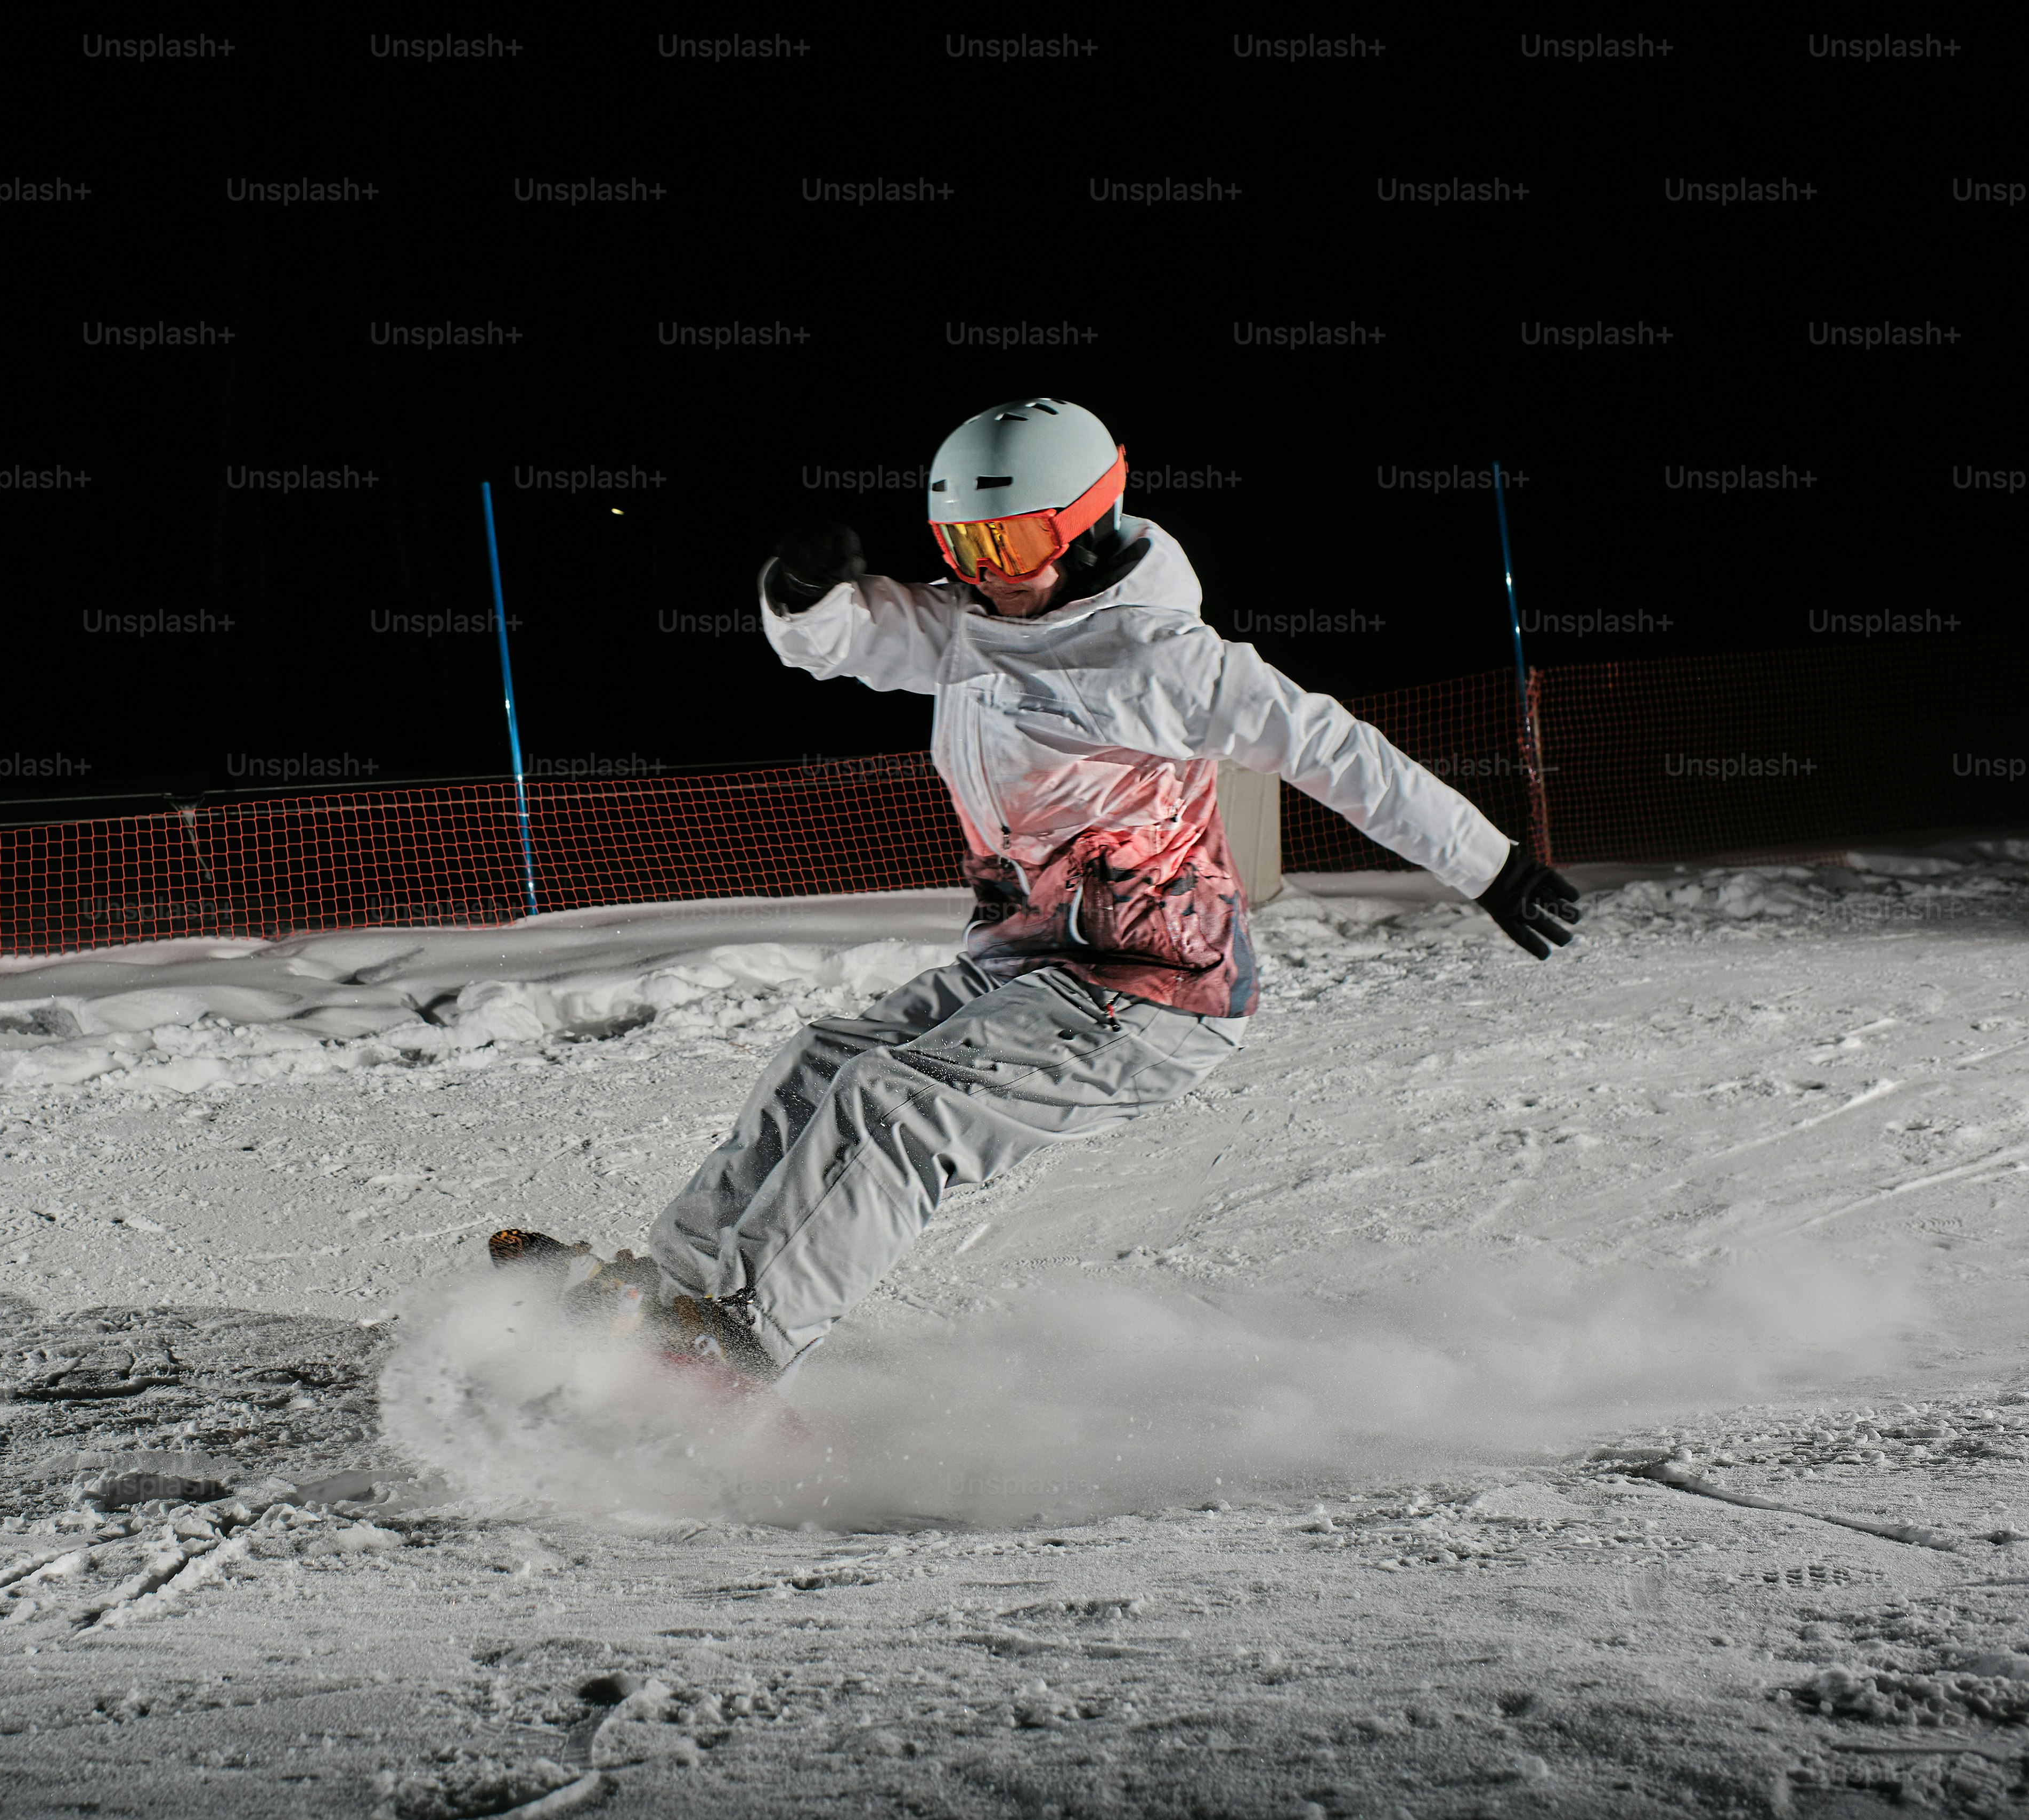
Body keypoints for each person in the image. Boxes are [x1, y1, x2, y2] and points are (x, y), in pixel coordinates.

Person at [495, 397, 1579, 1388]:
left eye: (1006, 544)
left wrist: (1489, 866)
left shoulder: (1163, 659)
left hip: (1155, 990)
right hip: (1025, 963)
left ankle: (739, 1350)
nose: (982, 569)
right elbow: (849, 639)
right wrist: (797, 596)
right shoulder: (975, 626)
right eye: (961, 546)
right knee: (820, 1061)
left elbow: (1341, 754)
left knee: (896, 1106)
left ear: (1089, 524)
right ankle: (674, 1293)